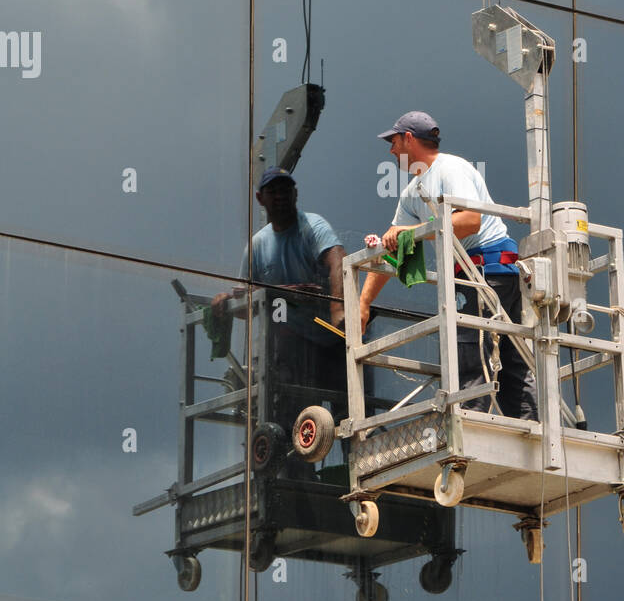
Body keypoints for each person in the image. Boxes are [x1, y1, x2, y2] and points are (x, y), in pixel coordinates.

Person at [360, 112, 538, 420]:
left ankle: (471, 424)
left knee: (471, 352)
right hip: (477, 276)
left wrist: (410, 233)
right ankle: (523, 427)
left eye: (393, 141)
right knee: (507, 359)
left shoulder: (450, 168)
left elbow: (470, 221)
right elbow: (395, 251)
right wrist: (363, 304)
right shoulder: (412, 192)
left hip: (487, 272)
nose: (390, 151)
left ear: (409, 139)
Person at [212, 168, 347, 447]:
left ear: (295, 193)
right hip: (294, 348)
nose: (281, 197)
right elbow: (247, 304)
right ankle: (296, 476)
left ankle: (352, 469)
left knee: (349, 419)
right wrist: (226, 302)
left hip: (333, 343)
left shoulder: (313, 226)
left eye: (286, 190)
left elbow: (338, 260)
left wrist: (339, 312)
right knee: (297, 427)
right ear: (261, 198)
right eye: (273, 192)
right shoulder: (258, 246)